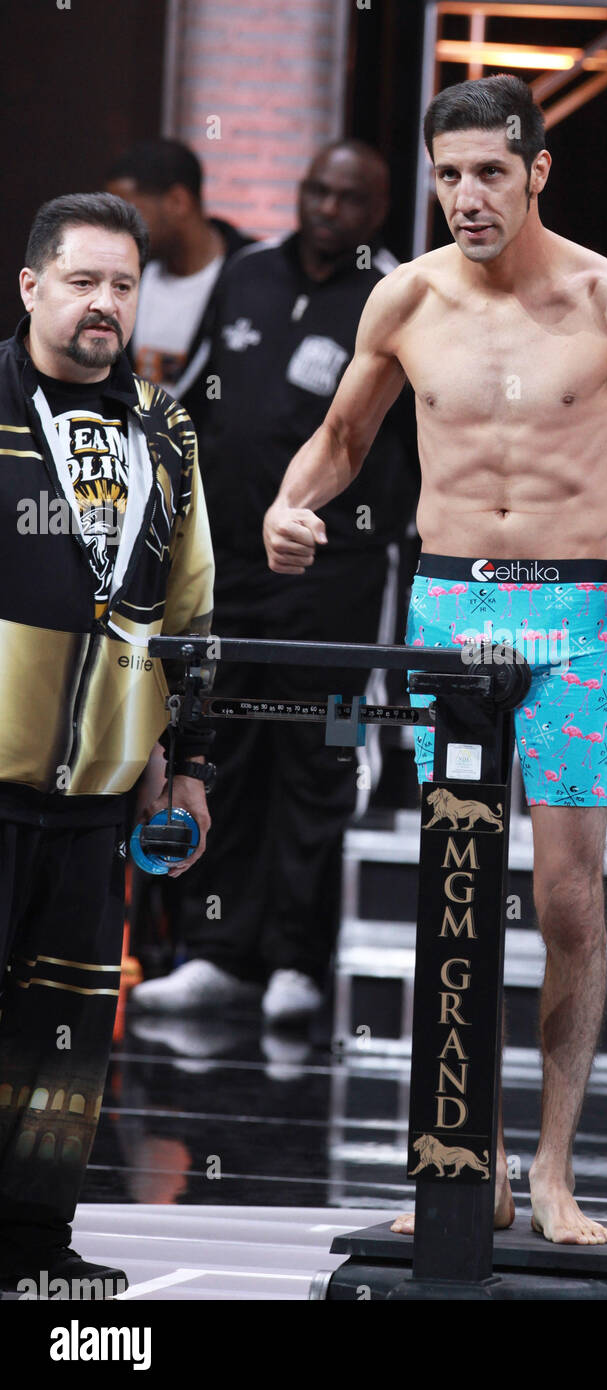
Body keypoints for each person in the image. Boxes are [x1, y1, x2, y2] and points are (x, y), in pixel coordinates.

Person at [264, 75, 607, 1244]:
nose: (467, 196)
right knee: (455, 893)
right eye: (449, 175)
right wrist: (289, 509)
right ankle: (466, 1164)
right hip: (449, 616)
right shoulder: (404, 298)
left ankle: (552, 1167)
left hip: (569, 626)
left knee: (564, 899)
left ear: (538, 170)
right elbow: (342, 438)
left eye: (490, 171)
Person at [131, 141, 418, 1025]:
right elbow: (194, 390)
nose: (326, 207)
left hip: (335, 569)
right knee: (218, 748)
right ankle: (218, 952)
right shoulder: (248, 271)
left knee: (317, 756)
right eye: (315, 189)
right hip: (229, 563)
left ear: (377, 210)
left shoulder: (399, 291)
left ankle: (297, 961)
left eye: (349, 197)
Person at [0, 192, 214, 1294]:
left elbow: (190, 611)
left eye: (123, 285)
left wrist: (187, 766)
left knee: (66, 1047)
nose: (104, 304)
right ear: (31, 285)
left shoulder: (164, 427)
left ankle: (34, 1250)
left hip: (98, 801)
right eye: (82, 281)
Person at [106, 137, 253, 419]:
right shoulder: (124, 274)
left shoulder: (250, 275)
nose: (119, 229)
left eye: (130, 213)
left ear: (177, 201)